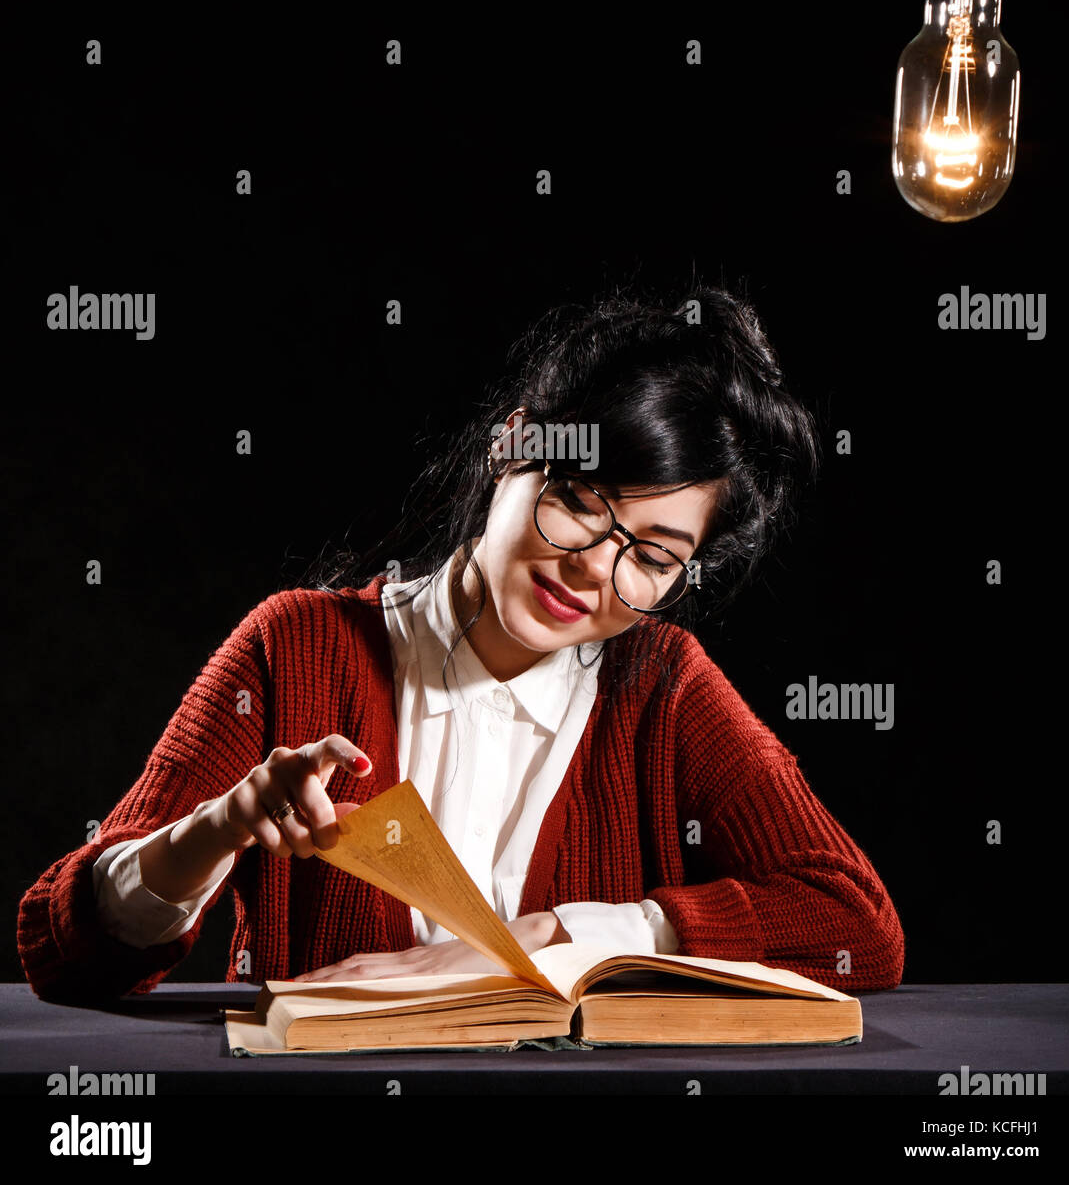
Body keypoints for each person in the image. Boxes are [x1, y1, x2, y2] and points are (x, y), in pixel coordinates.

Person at [18, 284, 904, 1004]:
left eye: (651, 557)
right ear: (511, 445)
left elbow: (856, 926)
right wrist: (214, 830)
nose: (594, 570)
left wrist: (560, 937)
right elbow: (65, 957)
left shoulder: (660, 684)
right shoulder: (298, 649)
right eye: (579, 503)